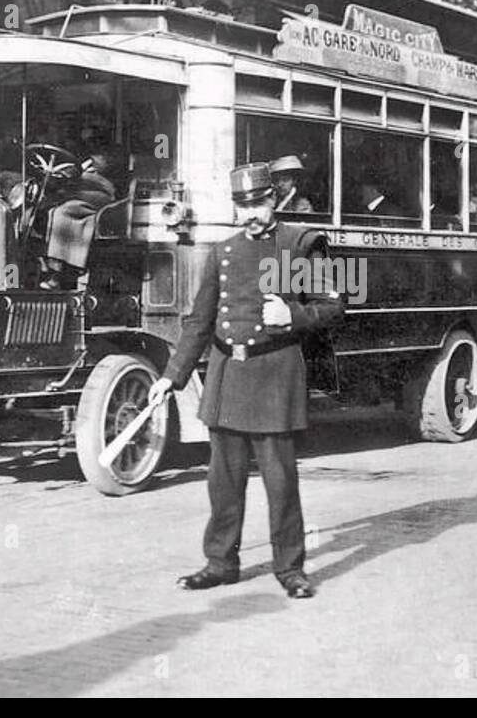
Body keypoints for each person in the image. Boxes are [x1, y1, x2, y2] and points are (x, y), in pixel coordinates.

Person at [147, 162, 344, 599]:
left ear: (275, 199)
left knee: (281, 483)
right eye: (243, 206)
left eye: (259, 202)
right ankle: (220, 563)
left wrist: (291, 315)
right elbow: (199, 322)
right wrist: (171, 377)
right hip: (227, 375)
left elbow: (334, 305)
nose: (251, 213)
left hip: (274, 375)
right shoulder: (223, 252)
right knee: (223, 482)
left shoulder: (299, 246)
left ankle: (290, 569)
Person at [39, 150, 119, 289]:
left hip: (99, 190)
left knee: (62, 212)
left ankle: (58, 271)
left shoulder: (107, 147)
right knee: (42, 211)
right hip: (72, 188)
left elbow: (106, 164)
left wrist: (84, 168)